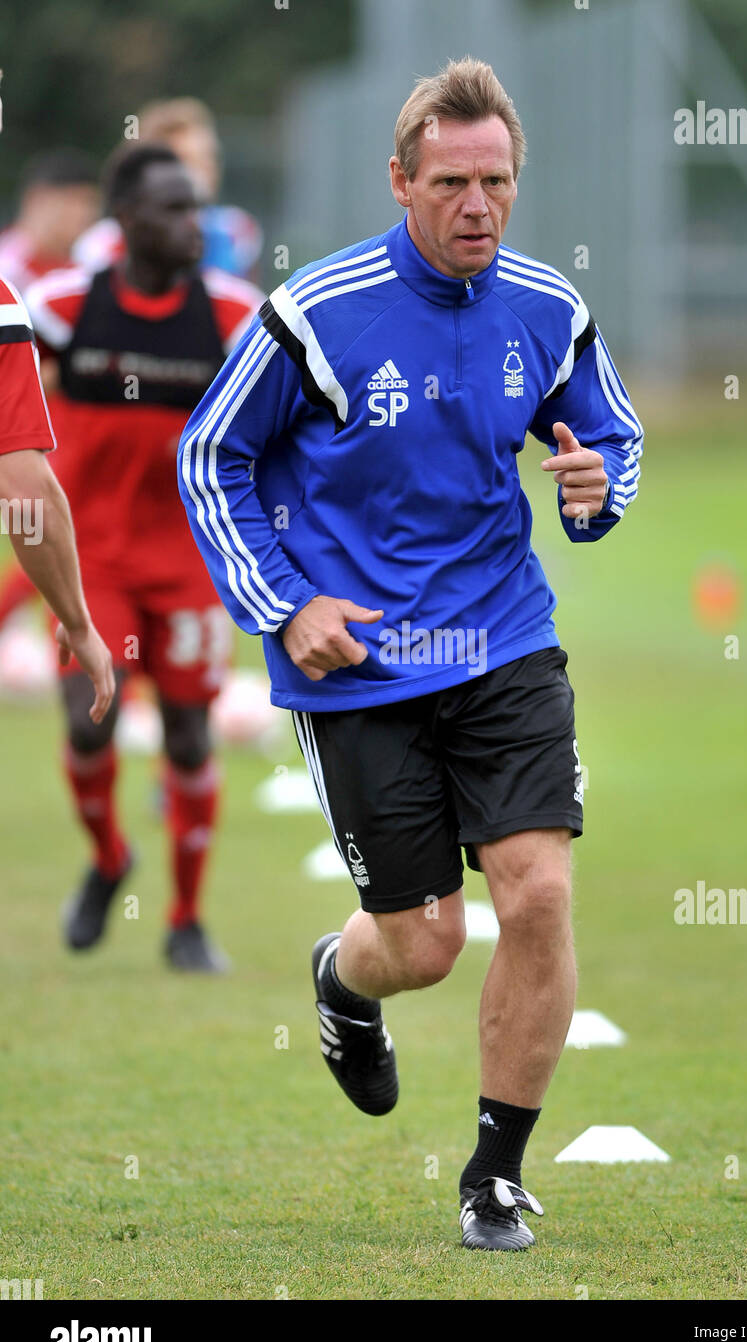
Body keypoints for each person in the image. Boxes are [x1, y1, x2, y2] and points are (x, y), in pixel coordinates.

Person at [177, 58, 643, 1247]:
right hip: (360, 665)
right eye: (450, 182)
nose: (477, 205)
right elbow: (209, 459)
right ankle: (343, 977)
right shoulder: (316, 313)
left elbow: (608, 440)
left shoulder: (547, 308)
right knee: (424, 943)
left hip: (502, 638)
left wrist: (593, 488)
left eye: (496, 182)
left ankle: (493, 1172)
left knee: (536, 892)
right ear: (400, 181)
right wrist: (284, 607)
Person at [27, 143, 261, 971]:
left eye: (195, 207)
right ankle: (106, 858)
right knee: (88, 729)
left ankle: (187, 920)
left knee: (191, 738)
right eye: (171, 209)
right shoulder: (60, 309)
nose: (192, 224)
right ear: (125, 223)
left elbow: (292, 423)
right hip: (92, 566)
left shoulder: (235, 316)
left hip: (194, 567)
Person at [0, 72, 113, 724]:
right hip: (37, 447)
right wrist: (77, 621)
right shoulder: (12, 282)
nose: (78, 218)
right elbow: (27, 500)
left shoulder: (81, 273)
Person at [73, 98, 262, 280]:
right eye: (187, 159)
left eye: (210, 157)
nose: (206, 169)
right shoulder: (100, 246)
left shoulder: (235, 231)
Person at [0, 147, 100, 292]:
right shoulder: (7, 269)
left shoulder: (92, 270)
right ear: (36, 199)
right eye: (72, 201)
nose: (84, 213)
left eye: (91, 203)